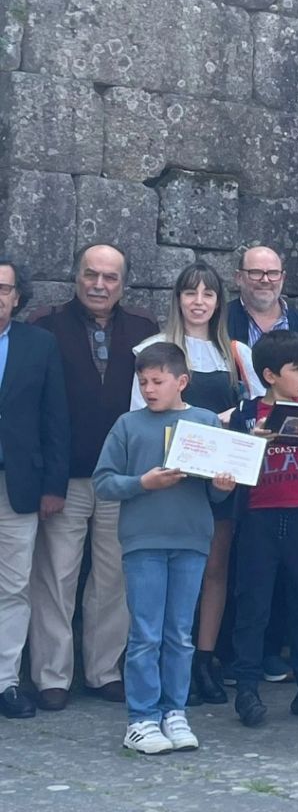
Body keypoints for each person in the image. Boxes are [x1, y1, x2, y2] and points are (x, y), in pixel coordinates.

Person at [28, 242, 158, 710]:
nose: (99, 285)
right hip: (65, 478)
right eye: (91, 274)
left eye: (110, 277)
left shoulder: (144, 330)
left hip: (122, 478)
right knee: (56, 576)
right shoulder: (45, 325)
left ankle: (104, 670)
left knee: (113, 578)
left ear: (124, 284)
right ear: (76, 276)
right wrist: (48, 480)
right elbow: (35, 406)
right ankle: (51, 676)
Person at [92, 342, 236, 753]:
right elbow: (103, 481)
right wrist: (142, 483)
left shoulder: (205, 421)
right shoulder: (127, 425)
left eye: (157, 381)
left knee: (179, 633)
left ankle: (175, 711)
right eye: (143, 382)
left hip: (191, 538)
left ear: (181, 381)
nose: (149, 389)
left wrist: (223, 486)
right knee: (146, 633)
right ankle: (141, 718)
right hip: (143, 541)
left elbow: (216, 492)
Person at [131, 261, 263, 706]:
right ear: (178, 299)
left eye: (208, 294)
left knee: (215, 569)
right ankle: (173, 662)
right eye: (191, 293)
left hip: (219, 477)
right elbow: (137, 416)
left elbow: (257, 410)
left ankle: (203, 659)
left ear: (219, 302)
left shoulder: (237, 353)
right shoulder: (154, 349)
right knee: (171, 569)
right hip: (172, 477)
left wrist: (229, 420)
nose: (199, 302)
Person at [227, 329, 298, 726]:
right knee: (253, 605)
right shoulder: (246, 412)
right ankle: (246, 690)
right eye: (296, 368)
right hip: (258, 517)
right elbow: (232, 463)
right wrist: (251, 440)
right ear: (270, 375)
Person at [0, 258, 69, 720]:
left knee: (13, 587)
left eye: (3, 288)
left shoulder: (38, 344)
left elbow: (55, 418)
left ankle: (5, 683)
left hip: (19, 484)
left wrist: (53, 485)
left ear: (17, 296)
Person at [226, 246, 298, 354]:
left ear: (282, 278)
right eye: (256, 272)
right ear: (239, 277)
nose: (265, 280)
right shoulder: (221, 319)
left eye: (273, 273)